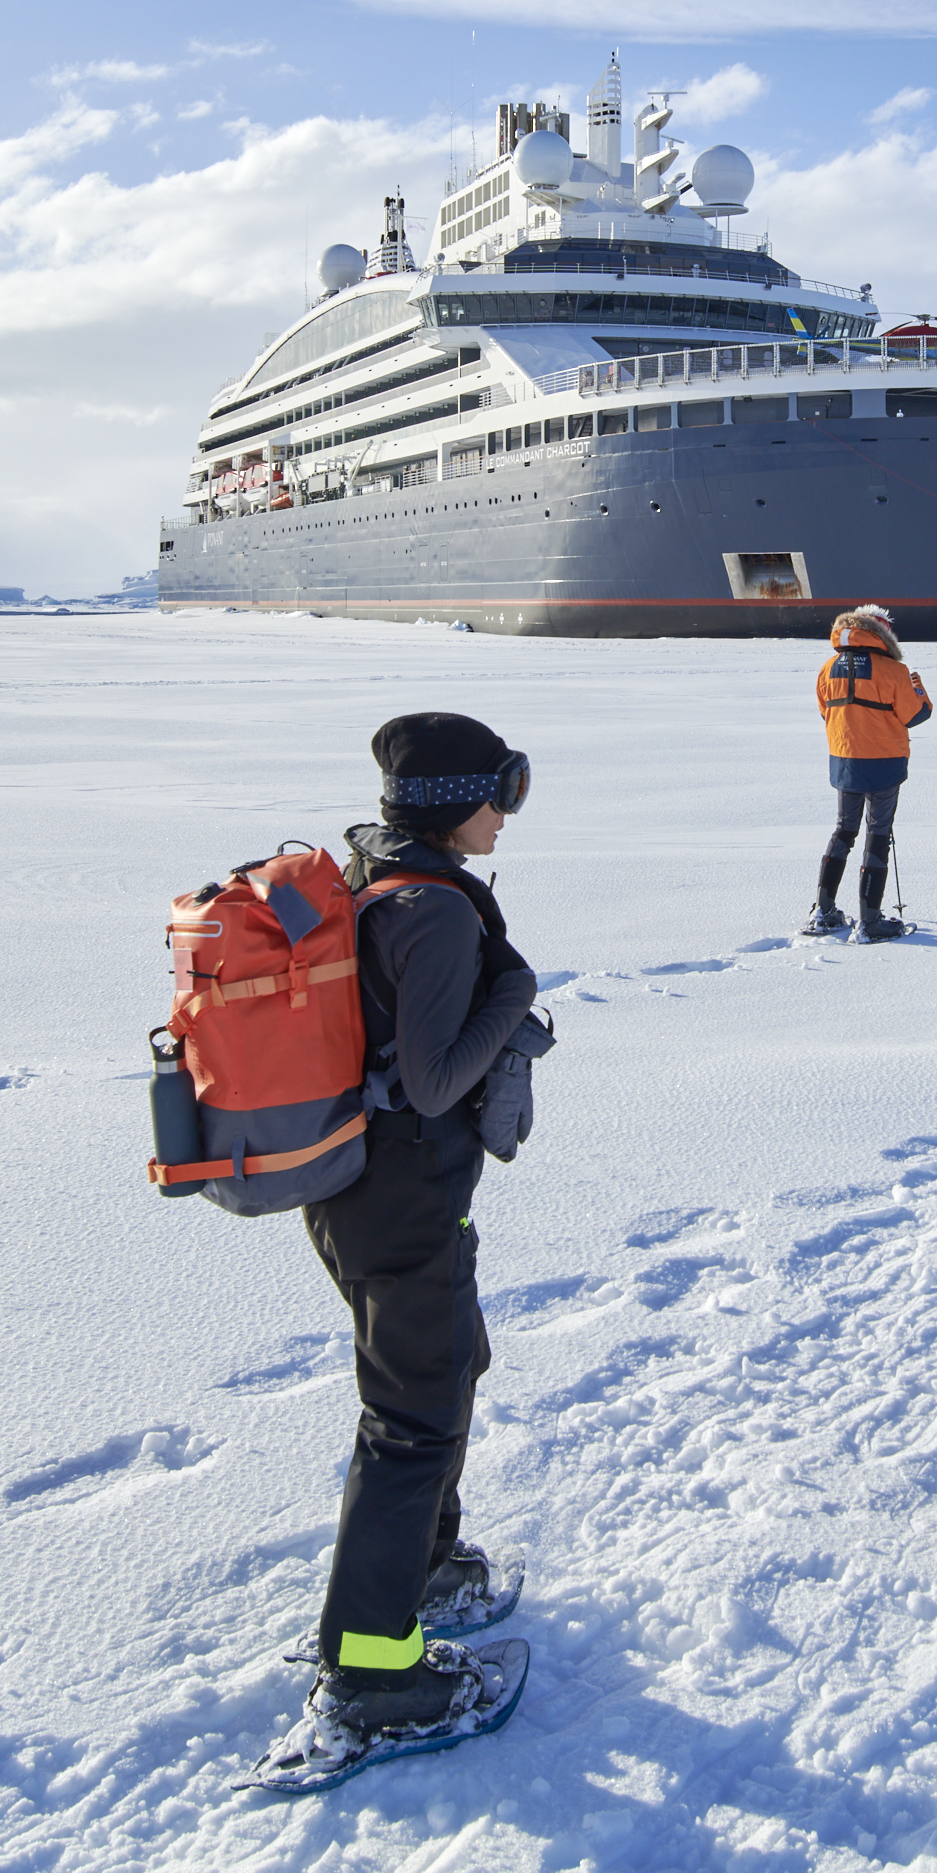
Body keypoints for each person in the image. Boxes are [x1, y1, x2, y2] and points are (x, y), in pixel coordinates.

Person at [277, 712, 545, 1761]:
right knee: (413, 1414)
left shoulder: (372, 868)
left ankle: (425, 1568)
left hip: (366, 1185)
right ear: (450, 805)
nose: (509, 814)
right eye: (503, 791)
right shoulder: (431, 911)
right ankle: (372, 1671)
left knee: (444, 1369)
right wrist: (513, 993)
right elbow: (436, 1078)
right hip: (400, 1190)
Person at [806, 604, 932, 942]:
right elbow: (915, 715)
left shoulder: (827, 668)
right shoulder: (894, 671)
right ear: (883, 635)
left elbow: (825, 713)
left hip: (844, 762)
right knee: (877, 833)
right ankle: (870, 920)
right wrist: (920, 690)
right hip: (884, 762)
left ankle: (824, 911)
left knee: (843, 832)